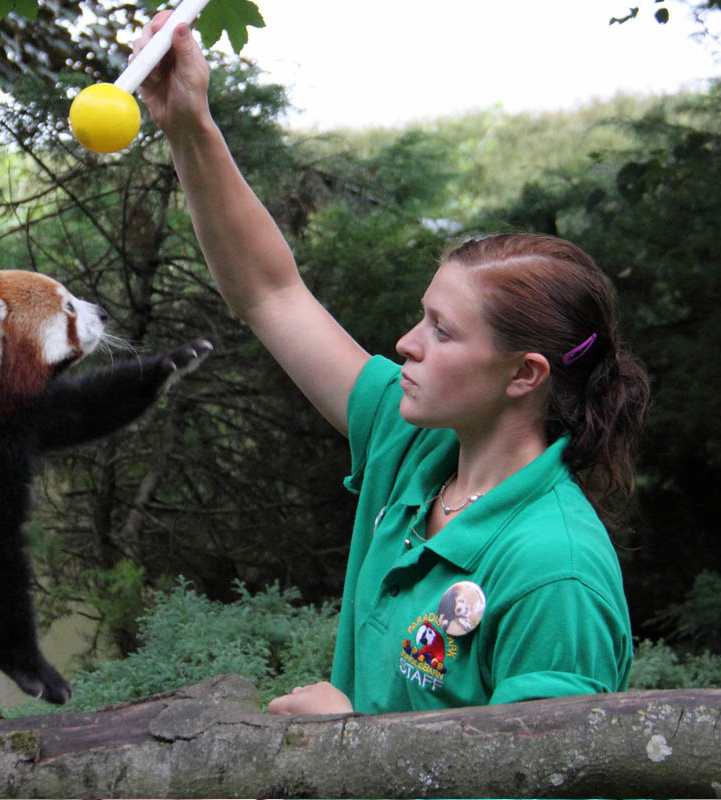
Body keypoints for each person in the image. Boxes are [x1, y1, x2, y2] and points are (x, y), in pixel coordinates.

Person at [132, 13, 651, 715]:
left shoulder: (554, 573)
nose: (407, 343)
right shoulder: (416, 450)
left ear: (524, 374)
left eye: (442, 331)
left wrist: (349, 746)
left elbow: (538, 783)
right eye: (422, 316)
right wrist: (189, 124)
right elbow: (269, 291)